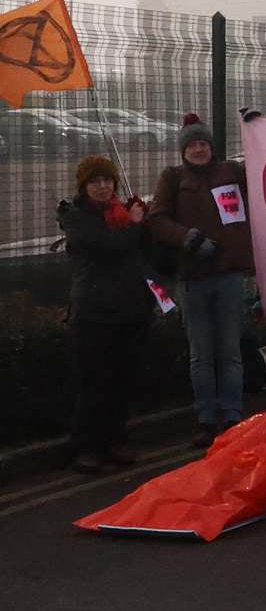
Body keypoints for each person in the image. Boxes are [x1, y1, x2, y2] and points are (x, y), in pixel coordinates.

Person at [148, 112, 256, 445]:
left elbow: (264, 168)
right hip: (192, 278)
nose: (198, 149)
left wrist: (257, 128)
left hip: (228, 278)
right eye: (192, 144)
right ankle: (206, 419)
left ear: (211, 147)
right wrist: (189, 240)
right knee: (201, 354)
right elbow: (156, 219)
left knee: (229, 351)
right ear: (183, 150)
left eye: (203, 143)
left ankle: (233, 415)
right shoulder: (172, 178)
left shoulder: (232, 173)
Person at [59, 155, 158, 473]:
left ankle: (116, 439)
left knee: (123, 381)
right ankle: (87, 445)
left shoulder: (124, 214)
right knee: (95, 383)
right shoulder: (76, 218)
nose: (102, 186)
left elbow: (144, 251)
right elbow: (106, 246)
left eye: (107, 180)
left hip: (130, 310)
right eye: (95, 181)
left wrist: (145, 222)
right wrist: (132, 223)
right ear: (84, 187)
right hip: (95, 313)